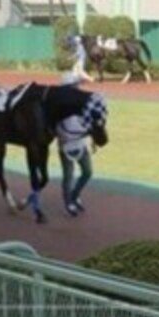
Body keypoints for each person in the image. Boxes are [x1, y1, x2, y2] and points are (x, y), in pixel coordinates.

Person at [57, 73, 94, 216]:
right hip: (66, 146)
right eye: (74, 85)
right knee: (68, 175)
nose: (77, 87)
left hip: (81, 144)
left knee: (87, 172)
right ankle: (69, 203)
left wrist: (90, 137)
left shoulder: (81, 103)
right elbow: (59, 130)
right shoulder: (59, 107)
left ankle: (74, 195)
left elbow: (87, 121)